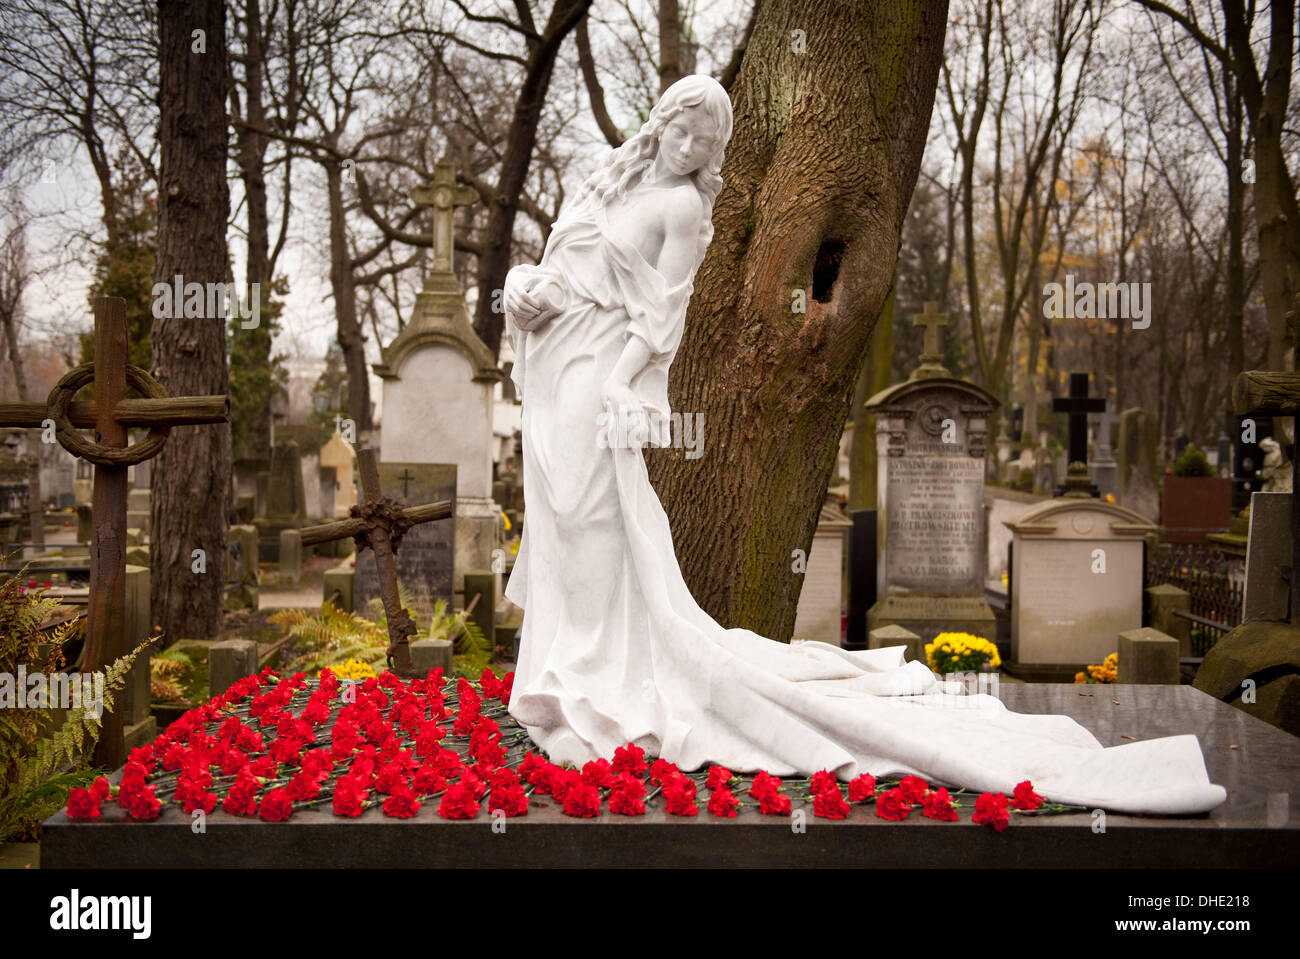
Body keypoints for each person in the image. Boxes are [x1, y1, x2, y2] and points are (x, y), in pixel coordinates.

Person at [502, 75, 1224, 815]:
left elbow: (662, 316)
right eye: (683, 130)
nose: (687, 150)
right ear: (662, 120)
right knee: (560, 524)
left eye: (705, 145)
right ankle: (564, 669)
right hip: (554, 367)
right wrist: (523, 283)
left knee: (593, 520)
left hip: (599, 378)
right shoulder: (603, 182)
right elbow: (551, 267)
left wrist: (625, 383)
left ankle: (592, 681)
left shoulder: (684, 208)